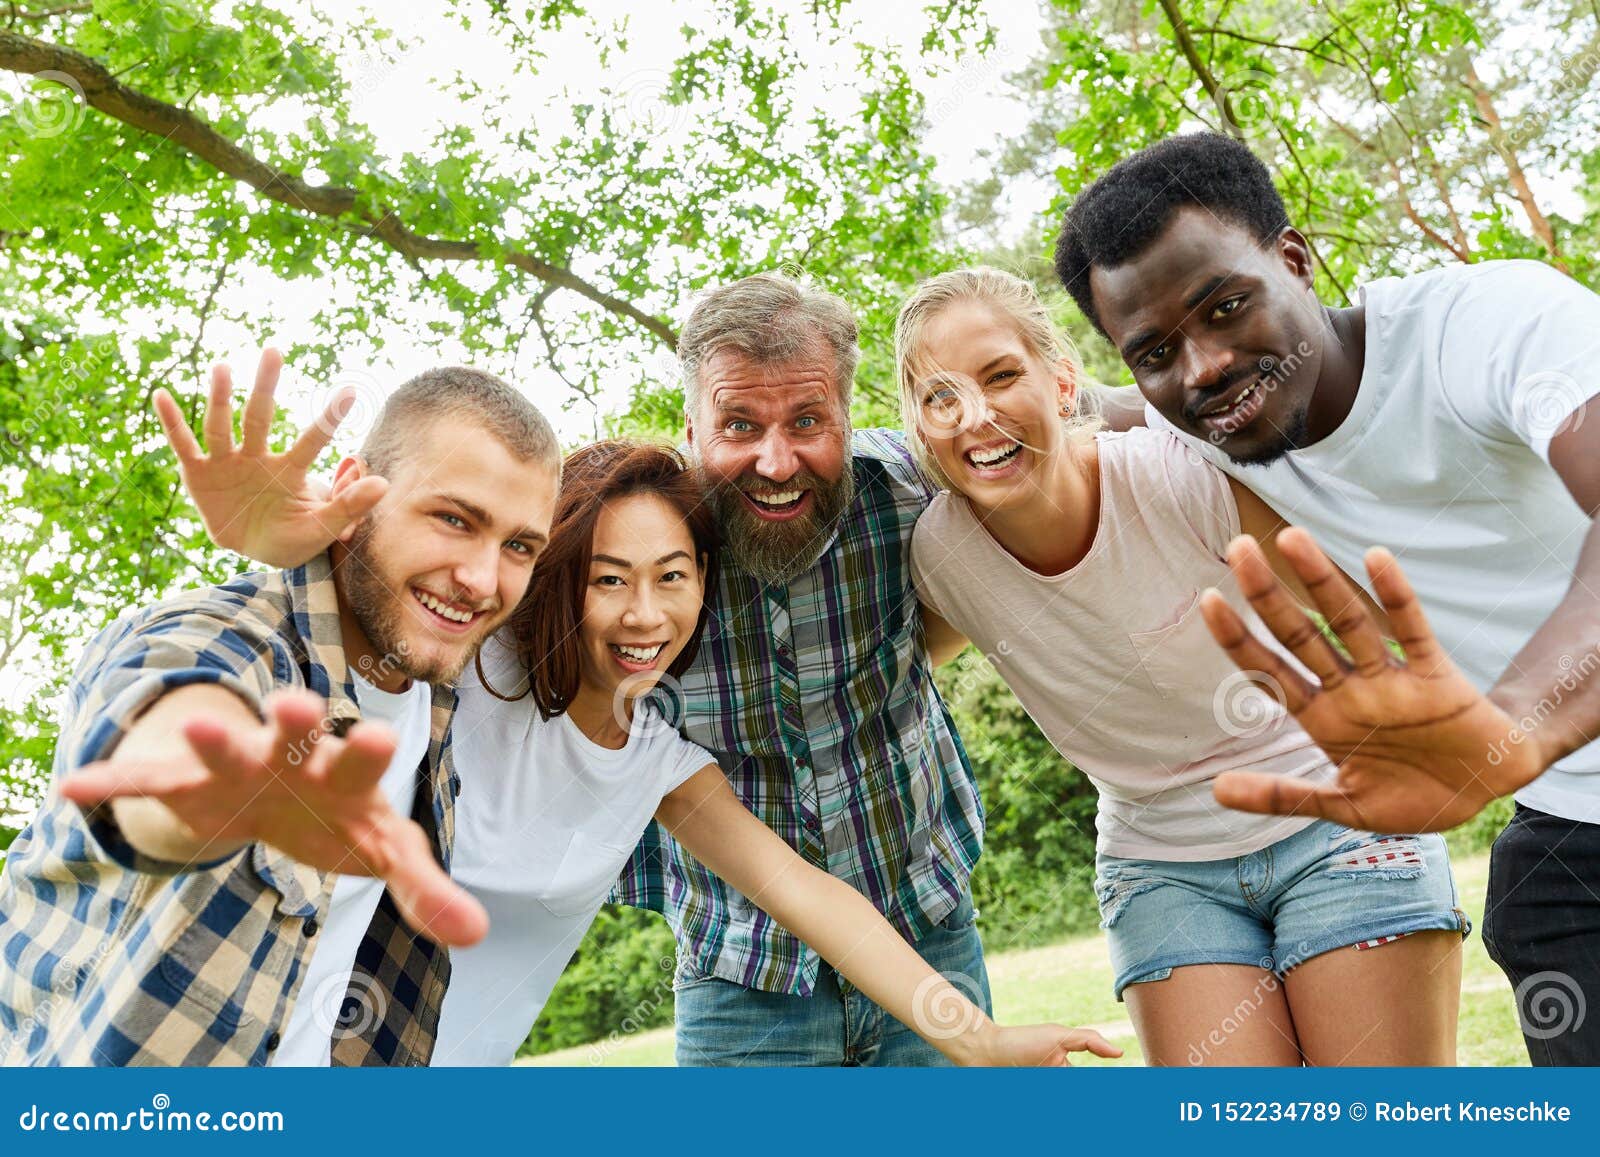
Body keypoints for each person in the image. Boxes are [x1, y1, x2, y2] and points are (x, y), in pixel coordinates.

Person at [154, 378, 1120, 1068]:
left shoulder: (654, 759)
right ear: (556, 576)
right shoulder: (461, 669)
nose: (643, 615)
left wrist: (975, 1035)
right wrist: (277, 552)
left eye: (674, 578)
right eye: (608, 578)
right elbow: (348, 631)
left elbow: (812, 895)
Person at [1055, 131, 1600, 1065]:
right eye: (1155, 351)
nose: (1202, 368)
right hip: (1571, 837)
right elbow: (1051, 409)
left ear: (1295, 259)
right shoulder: (1199, 412)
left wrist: (1519, 720)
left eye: (1226, 307)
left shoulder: (1490, 324)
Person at [897, 266, 1465, 1065]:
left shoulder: (1174, 474)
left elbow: (1368, 613)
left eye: (1001, 375)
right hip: (1163, 864)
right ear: (920, 427)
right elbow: (889, 673)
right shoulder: (943, 558)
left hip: (1336, 812)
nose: (977, 416)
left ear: (1062, 382)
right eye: (941, 396)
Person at [0, 360, 562, 1065]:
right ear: (354, 494)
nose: (482, 579)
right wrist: (204, 789)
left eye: (518, 546)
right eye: (453, 518)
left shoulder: (436, 680)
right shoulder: (231, 637)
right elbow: (169, 711)